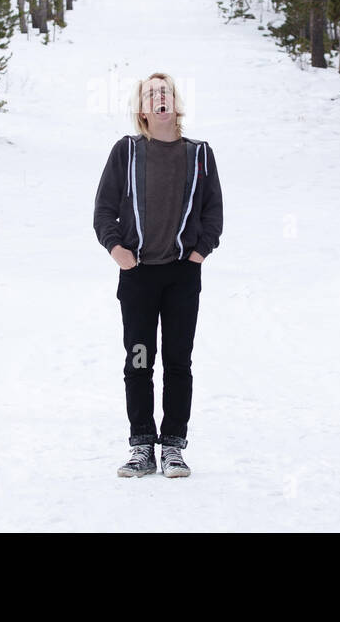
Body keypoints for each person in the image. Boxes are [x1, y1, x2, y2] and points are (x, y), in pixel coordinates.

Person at [92, 72, 223, 477]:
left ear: (176, 104)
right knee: (139, 360)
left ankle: (173, 447)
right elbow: (104, 209)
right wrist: (118, 251)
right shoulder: (126, 152)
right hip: (138, 278)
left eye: (164, 91)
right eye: (151, 94)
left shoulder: (199, 154)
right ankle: (141, 446)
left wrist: (199, 253)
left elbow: (212, 212)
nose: (159, 97)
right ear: (143, 110)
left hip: (182, 277)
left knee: (178, 362)